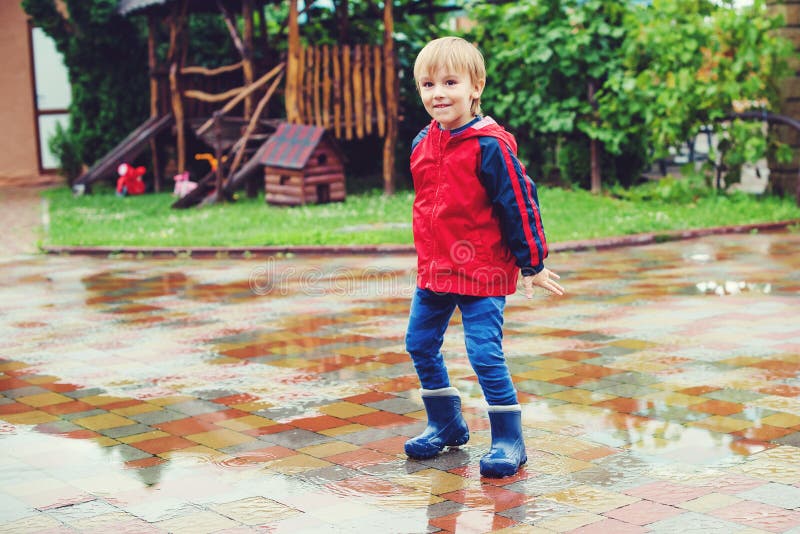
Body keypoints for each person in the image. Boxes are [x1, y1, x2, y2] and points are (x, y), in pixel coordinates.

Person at [404, 36, 565, 478]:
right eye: (427, 84)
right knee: (418, 344)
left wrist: (532, 262)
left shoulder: (490, 146)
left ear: (476, 87)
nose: (438, 93)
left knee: (484, 355)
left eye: (450, 82)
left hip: (482, 272)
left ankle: (509, 439)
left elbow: (519, 203)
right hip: (435, 272)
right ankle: (446, 424)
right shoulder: (423, 142)